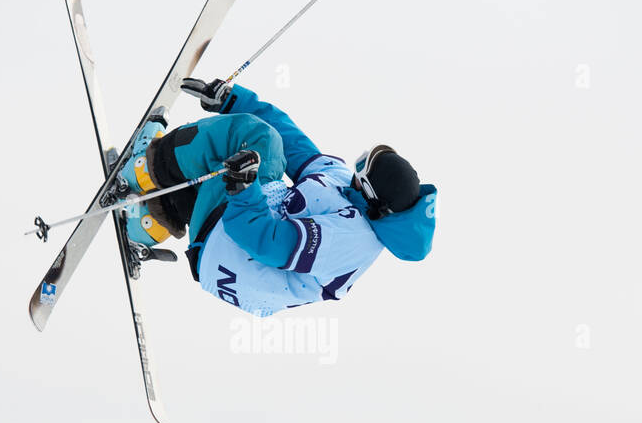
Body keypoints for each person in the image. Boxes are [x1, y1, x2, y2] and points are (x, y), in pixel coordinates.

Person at [117, 78, 436, 316]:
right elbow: (292, 142)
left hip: (237, 250)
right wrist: (233, 101)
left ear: (374, 198)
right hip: (226, 240)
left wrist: (243, 187)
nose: (354, 169)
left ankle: (145, 166)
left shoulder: (350, 241)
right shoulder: (348, 189)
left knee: (255, 146)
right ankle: (151, 221)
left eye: (362, 169)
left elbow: (266, 242)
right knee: (248, 163)